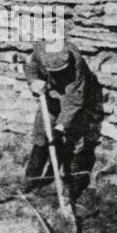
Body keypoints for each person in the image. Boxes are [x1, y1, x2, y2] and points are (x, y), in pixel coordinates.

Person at [23, 38, 103, 208]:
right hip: (50, 93)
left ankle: (69, 191)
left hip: (71, 94)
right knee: (41, 135)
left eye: (61, 70)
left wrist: (60, 126)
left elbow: (74, 101)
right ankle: (30, 181)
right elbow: (30, 67)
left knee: (72, 141)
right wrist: (34, 82)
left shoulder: (76, 63)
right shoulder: (39, 50)